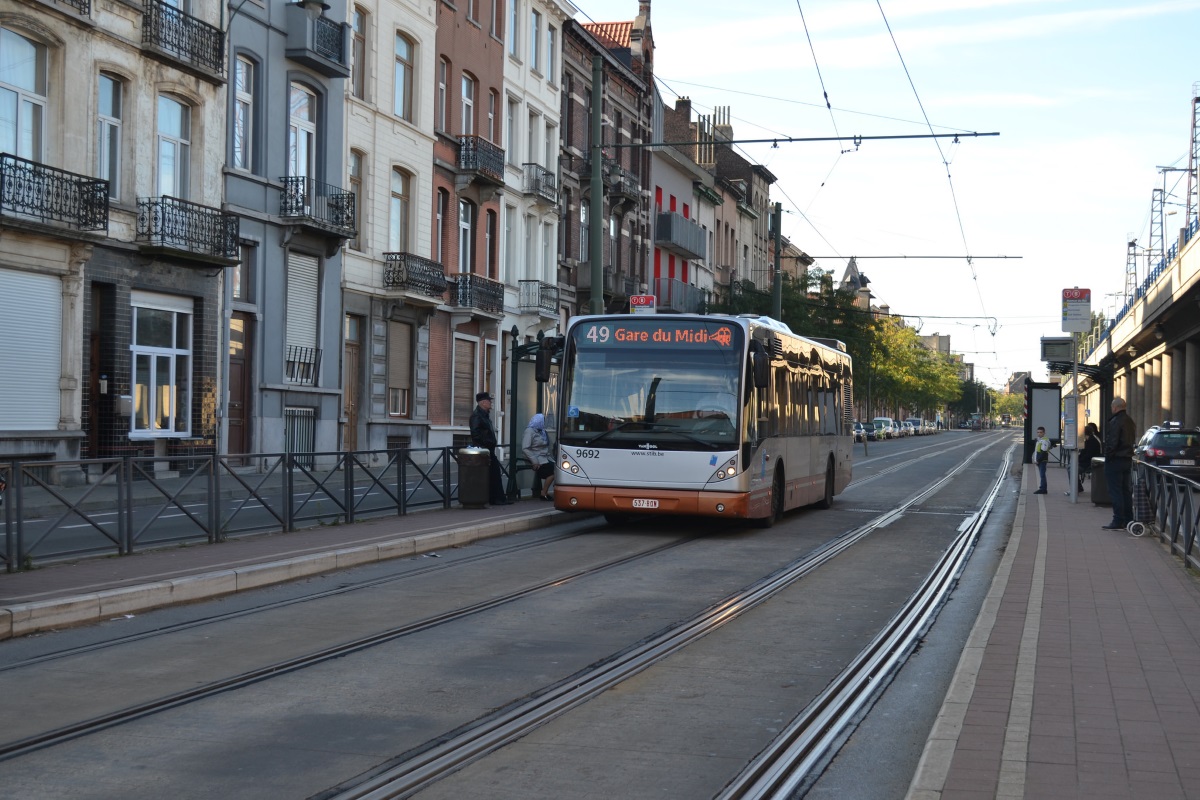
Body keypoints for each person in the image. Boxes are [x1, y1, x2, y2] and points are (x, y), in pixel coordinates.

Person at [1102, 396, 1137, 530]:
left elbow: (1112, 442)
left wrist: (1108, 456)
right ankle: (1128, 519)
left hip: (1115, 460)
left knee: (1115, 491)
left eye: (1112, 407)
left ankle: (1118, 520)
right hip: (1126, 460)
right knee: (1125, 491)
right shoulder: (1129, 421)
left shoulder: (1116, 421)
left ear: (1115, 408)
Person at [469, 391, 509, 506]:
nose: (491, 402)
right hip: (484, 451)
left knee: (494, 474)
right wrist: (485, 445)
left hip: (488, 450)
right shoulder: (477, 416)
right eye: (488, 400)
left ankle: (498, 498)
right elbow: (475, 434)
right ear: (482, 403)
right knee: (492, 474)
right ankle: (496, 499)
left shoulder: (484, 415)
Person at [522, 413, 555, 500]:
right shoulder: (529, 431)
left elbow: (549, 445)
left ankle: (548, 492)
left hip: (545, 457)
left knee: (559, 468)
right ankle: (543, 493)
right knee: (553, 471)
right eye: (543, 421)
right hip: (536, 458)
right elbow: (525, 448)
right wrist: (534, 461)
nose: (544, 423)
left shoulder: (543, 431)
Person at [1076, 422, 1102, 493]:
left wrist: (1079, 460)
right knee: (1071, 468)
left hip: (1089, 463)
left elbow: (1088, 455)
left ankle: (1077, 488)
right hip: (1087, 462)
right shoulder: (1089, 440)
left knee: (1073, 470)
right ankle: (1077, 487)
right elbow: (1084, 453)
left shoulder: (1092, 441)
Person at [1032, 426, 1050, 494]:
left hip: (1042, 461)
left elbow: (1043, 452)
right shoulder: (1039, 440)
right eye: (1038, 432)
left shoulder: (1044, 441)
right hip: (1040, 460)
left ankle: (1043, 489)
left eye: (1040, 432)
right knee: (1041, 474)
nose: (1039, 433)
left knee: (1042, 475)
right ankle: (1042, 488)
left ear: (1044, 433)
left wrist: (1038, 461)